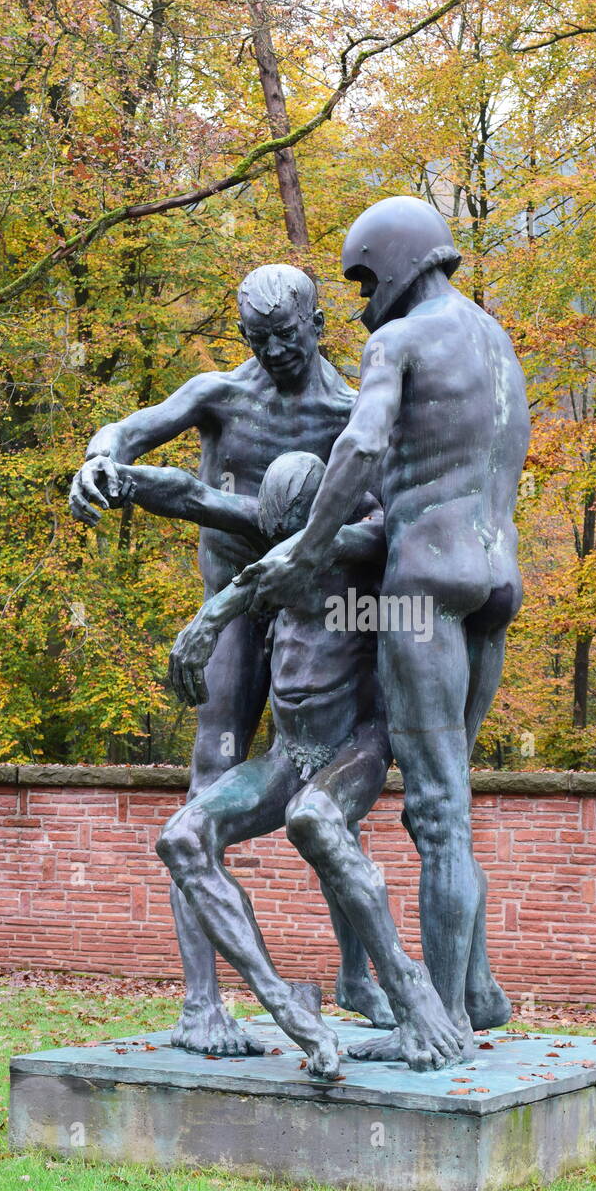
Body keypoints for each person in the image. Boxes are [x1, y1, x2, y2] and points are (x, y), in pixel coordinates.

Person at [68, 264, 391, 1052]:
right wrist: (98, 458)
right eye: (257, 338)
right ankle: (202, 1006)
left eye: (287, 336)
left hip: (315, 614)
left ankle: (355, 974)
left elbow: (383, 519)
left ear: (319, 325)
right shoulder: (219, 394)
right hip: (231, 620)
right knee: (208, 784)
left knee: (324, 796)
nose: (274, 351)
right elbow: (131, 429)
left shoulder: (350, 413)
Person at [238, 197, 530, 1066]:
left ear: (398, 260)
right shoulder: (497, 344)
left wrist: (306, 553)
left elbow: (360, 451)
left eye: (364, 278)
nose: (363, 298)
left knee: (436, 814)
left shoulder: (396, 343)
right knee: (454, 805)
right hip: (496, 580)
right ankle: (474, 991)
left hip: (425, 588)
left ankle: (427, 1025)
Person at [114, 452, 460, 1076]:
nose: (285, 545)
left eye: (295, 527)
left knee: (315, 820)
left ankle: (410, 992)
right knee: (183, 837)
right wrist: (123, 477)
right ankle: (284, 1004)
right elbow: (206, 513)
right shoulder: (280, 558)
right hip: (287, 753)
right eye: (276, 531)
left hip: (356, 746)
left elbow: (303, 553)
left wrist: (208, 619)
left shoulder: (371, 538)